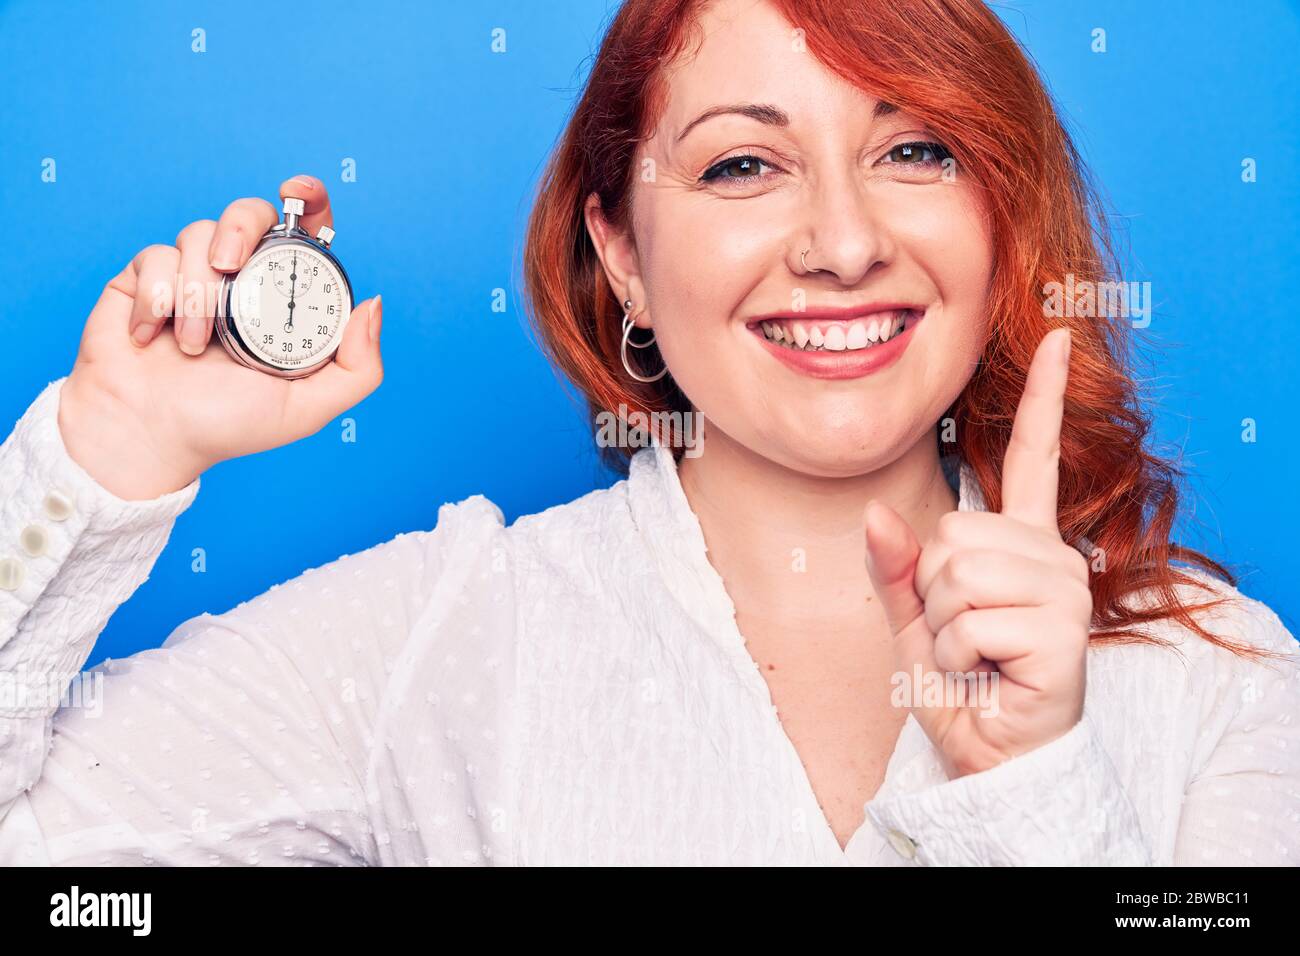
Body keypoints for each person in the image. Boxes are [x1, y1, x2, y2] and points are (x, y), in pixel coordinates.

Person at [0, 0, 1295, 866]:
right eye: (743, 165)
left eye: (916, 153)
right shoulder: (451, 635)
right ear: (618, 249)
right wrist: (106, 454)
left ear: (1002, 213)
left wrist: (1037, 791)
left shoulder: (1220, 674)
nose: (844, 244)